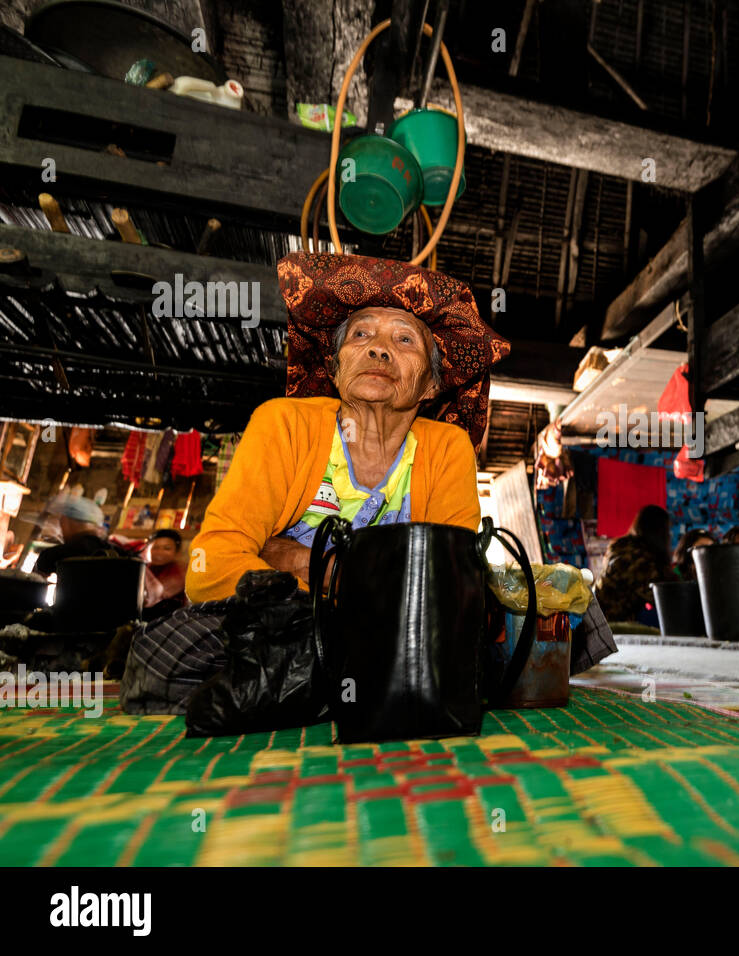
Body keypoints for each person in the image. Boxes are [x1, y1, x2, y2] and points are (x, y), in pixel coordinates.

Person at [121, 252, 513, 714]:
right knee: (167, 655)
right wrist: (358, 585)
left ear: (430, 384)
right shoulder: (282, 423)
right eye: (362, 334)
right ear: (334, 368)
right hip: (299, 628)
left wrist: (288, 554)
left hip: (392, 636)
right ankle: (342, 694)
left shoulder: (448, 447)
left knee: (546, 623)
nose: (378, 349)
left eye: (404, 339)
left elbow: (448, 587)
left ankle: (309, 697)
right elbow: (210, 569)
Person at [595, 504, 671, 624]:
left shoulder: (618, 547)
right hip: (619, 623)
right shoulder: (643, 559)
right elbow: (661, 597)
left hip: (600, 619)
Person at [34, 496, 115, 576]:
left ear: (65, 521)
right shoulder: (113, 550)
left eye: (61, 522)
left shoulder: (60, 553)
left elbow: (43, 564)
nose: (61, 529)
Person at [141, 529, 189, 621]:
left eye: (167, 548)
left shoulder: (182, 571)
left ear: (177, 552)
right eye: (155, 547)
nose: (160, 552)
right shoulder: (143, 569)